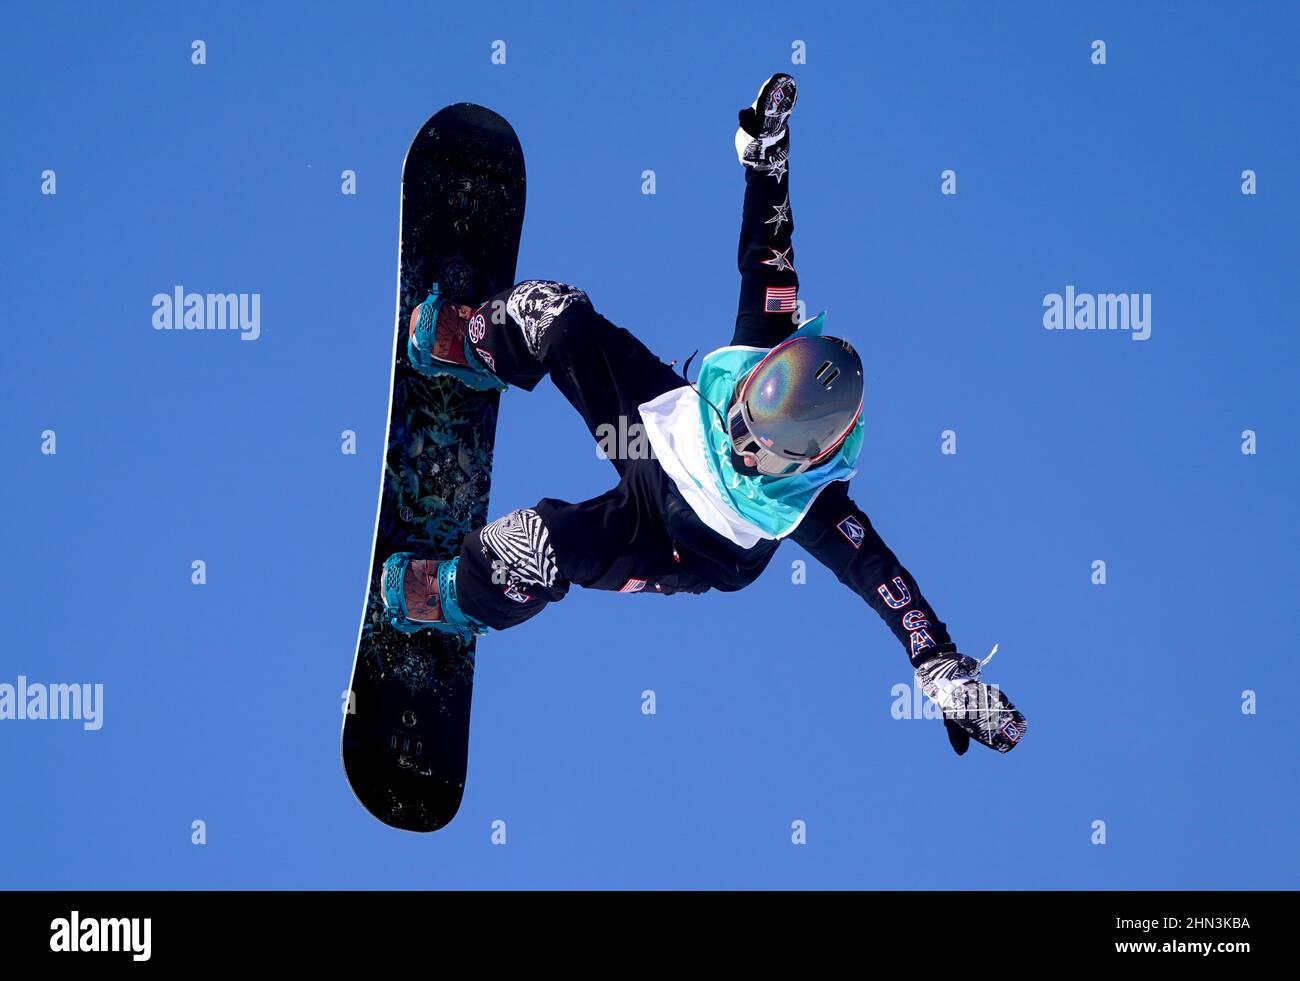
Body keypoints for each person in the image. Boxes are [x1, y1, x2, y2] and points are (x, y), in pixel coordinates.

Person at [383, 74, 1026, 755]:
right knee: (553, 308)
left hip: (672, 537)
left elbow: (887, 584)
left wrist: (943, 670)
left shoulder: (817, 507)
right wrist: (767, 152)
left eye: (762, 452)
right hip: (647, 428)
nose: (745, 445)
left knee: (530, 544)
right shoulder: (767, 333)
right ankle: (484, 350)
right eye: (747, 419)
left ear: (805, 462)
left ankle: (462, 598)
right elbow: (770, 243)